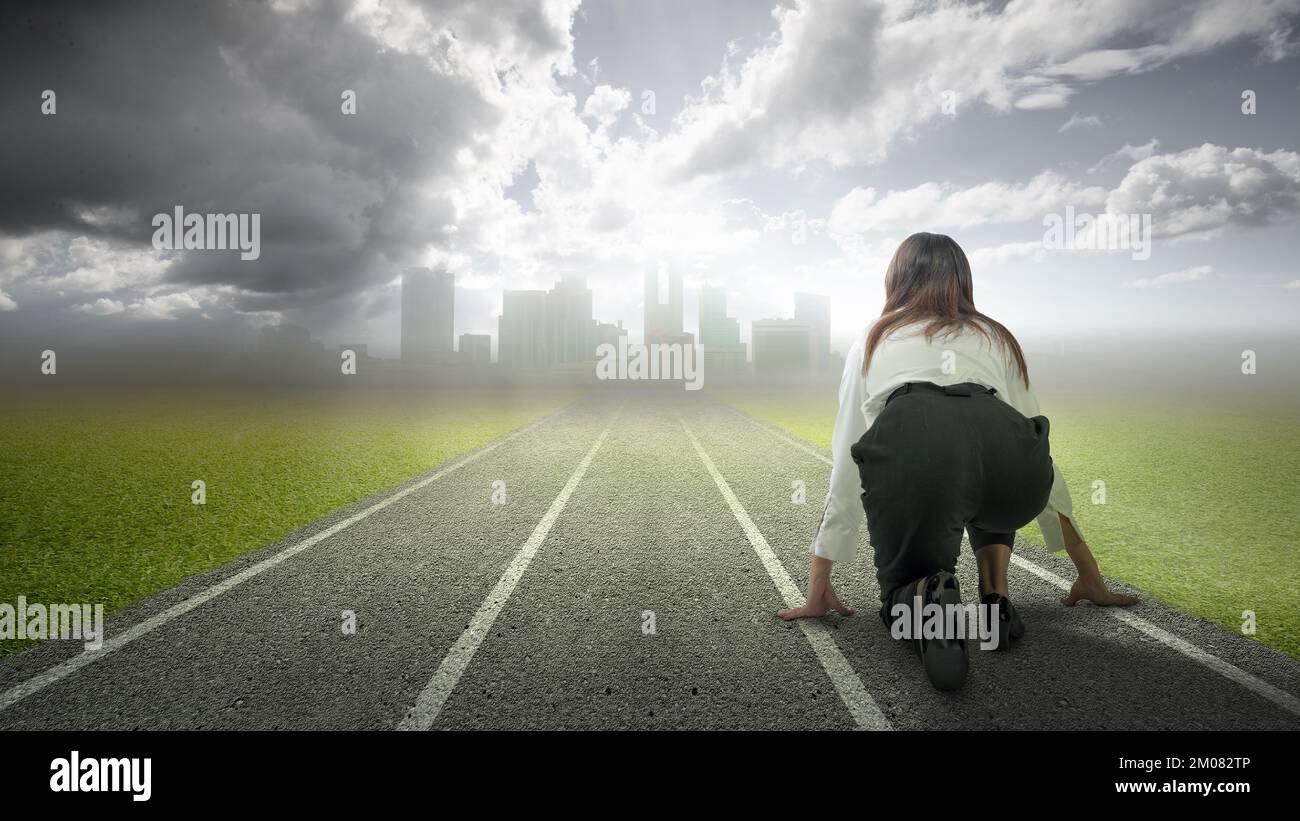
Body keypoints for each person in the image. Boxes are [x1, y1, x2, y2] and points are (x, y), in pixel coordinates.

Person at [777, 232, 1137, 689]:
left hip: (922, 447)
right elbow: (1036, 448)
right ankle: (995, 601)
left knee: (909, 571)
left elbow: (850, 457)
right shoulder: (997, 336)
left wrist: (818, 578)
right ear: (963, 280)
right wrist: (1089, 576)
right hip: (1013, 468)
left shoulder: (873, 338)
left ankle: (924, 594)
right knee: (985, 466)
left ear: (896, 277)